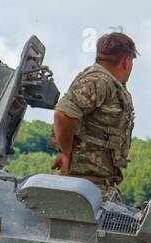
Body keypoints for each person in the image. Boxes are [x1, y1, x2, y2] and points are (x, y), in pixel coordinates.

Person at [51, 32, 137, 200]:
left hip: (92, 186)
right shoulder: (100, 81)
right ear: (126, 61)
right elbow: (63, 113)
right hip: (85, 188)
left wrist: (65, 149)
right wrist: (67, 153)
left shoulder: (102, 81)